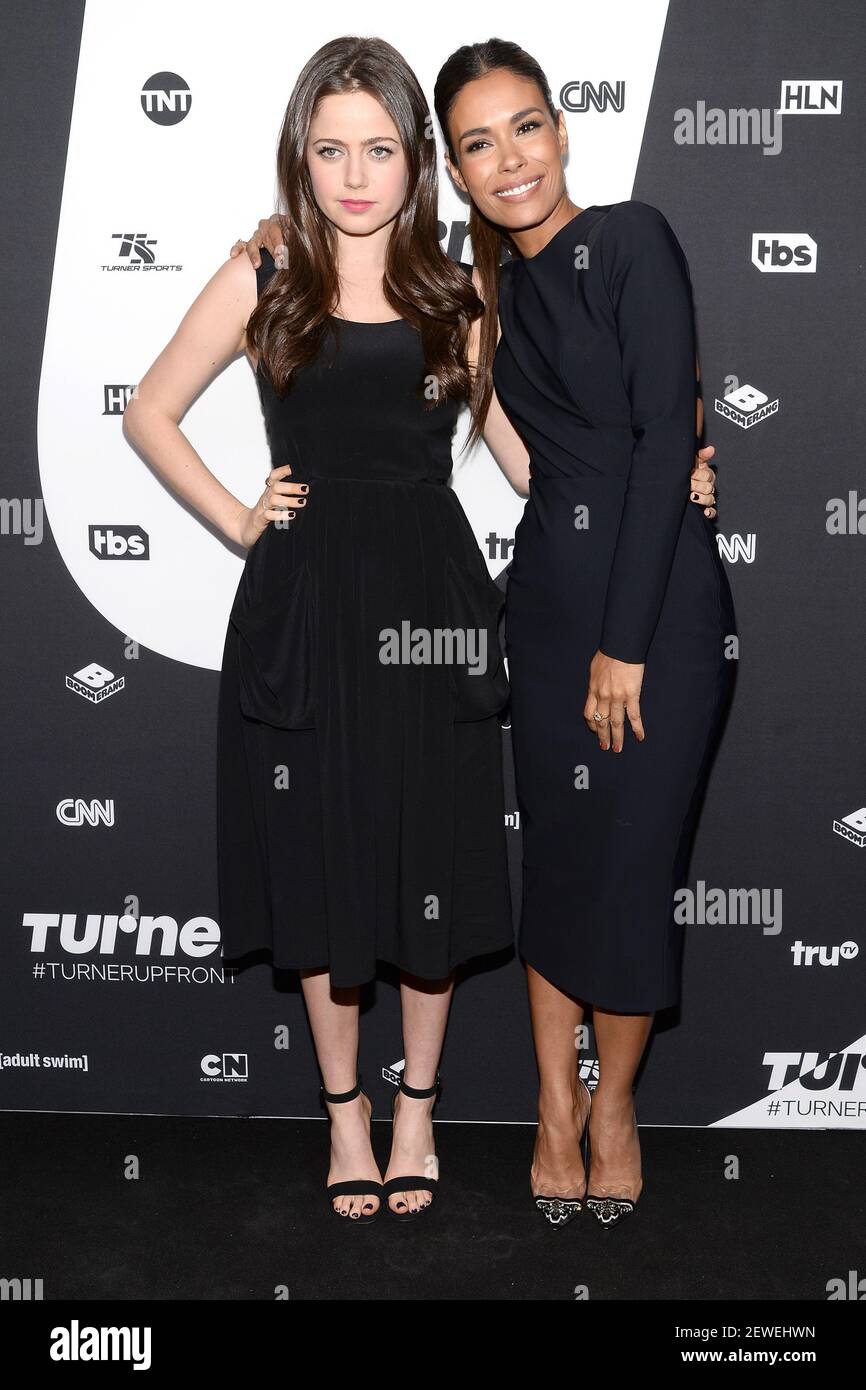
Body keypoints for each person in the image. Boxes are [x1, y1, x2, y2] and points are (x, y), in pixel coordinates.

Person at [429, 37, 737, 1228]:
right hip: (550, 610)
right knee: (558, 866)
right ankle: (556, 1106)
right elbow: (524, 461)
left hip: (657, 609)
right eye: (475, 143)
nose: (507, 158)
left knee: (630, 873)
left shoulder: (631, 240)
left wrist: (626, 642)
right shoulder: (485, 293)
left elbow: (666, 437)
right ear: (455, 171)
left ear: (562, 130)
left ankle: (615, 1111)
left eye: (524, 127)